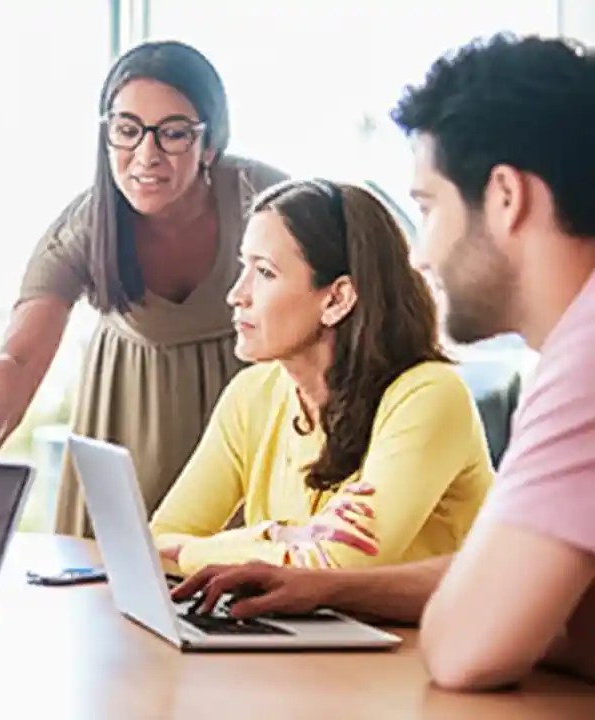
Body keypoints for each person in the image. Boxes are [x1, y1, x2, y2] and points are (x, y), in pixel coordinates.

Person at [171, 34, 595, 691]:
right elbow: (490, 581)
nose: (421, 256)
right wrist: (317, 583)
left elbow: (467, 646)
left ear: (506, 197)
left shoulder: (583, 365)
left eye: (428, 208)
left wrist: (540, 611)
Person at [0, 41, 287, 535]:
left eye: (174, 134)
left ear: (210, 144)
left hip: (249, 434)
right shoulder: (84, 226)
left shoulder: (264, 202)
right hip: (125, 428)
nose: (146, 155)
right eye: (127, 130)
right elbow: (19, 357)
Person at [149, 178, 493, 576]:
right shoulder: (252, 393)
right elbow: (160, 540)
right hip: (304, 635)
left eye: (264, 272)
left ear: (336, 299)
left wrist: (199, 553)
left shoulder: (430, 395)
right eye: (244, 267)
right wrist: (276, 537)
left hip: (424, 638)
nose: (237, 294)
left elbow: (338, 563)